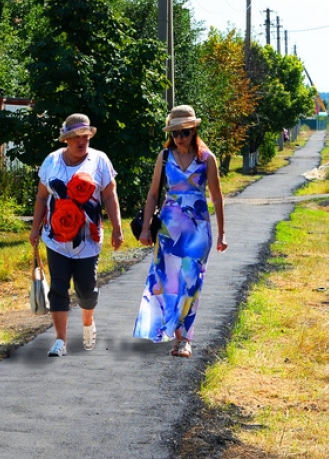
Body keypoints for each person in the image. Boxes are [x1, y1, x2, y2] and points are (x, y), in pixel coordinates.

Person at [132, 105, 226, 358]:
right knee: (170, 282)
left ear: (194, 130)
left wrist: (221, 233)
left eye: (184, 132)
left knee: (191, 281)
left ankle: (186, 338)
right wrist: (144, 229)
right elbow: (153, 194)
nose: (179, 138)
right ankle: (176, 337)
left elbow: (216, 198)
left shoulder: (207, 159)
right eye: (175, 134)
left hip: (197, 229)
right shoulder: (164, 156)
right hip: (168, 229)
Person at [30, 113, 124, 357]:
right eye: (76, 138)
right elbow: (42, 196)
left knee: (87, 289)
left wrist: (117, 227)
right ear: (66, 140)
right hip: (56, 238)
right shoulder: (51, 161)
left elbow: (109, 195)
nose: (82, 141)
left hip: (88, 240)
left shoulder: (99, 160)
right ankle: (60, 340)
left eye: (85, 137)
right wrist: (35, 227)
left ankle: (87, 322)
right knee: (58, 288)